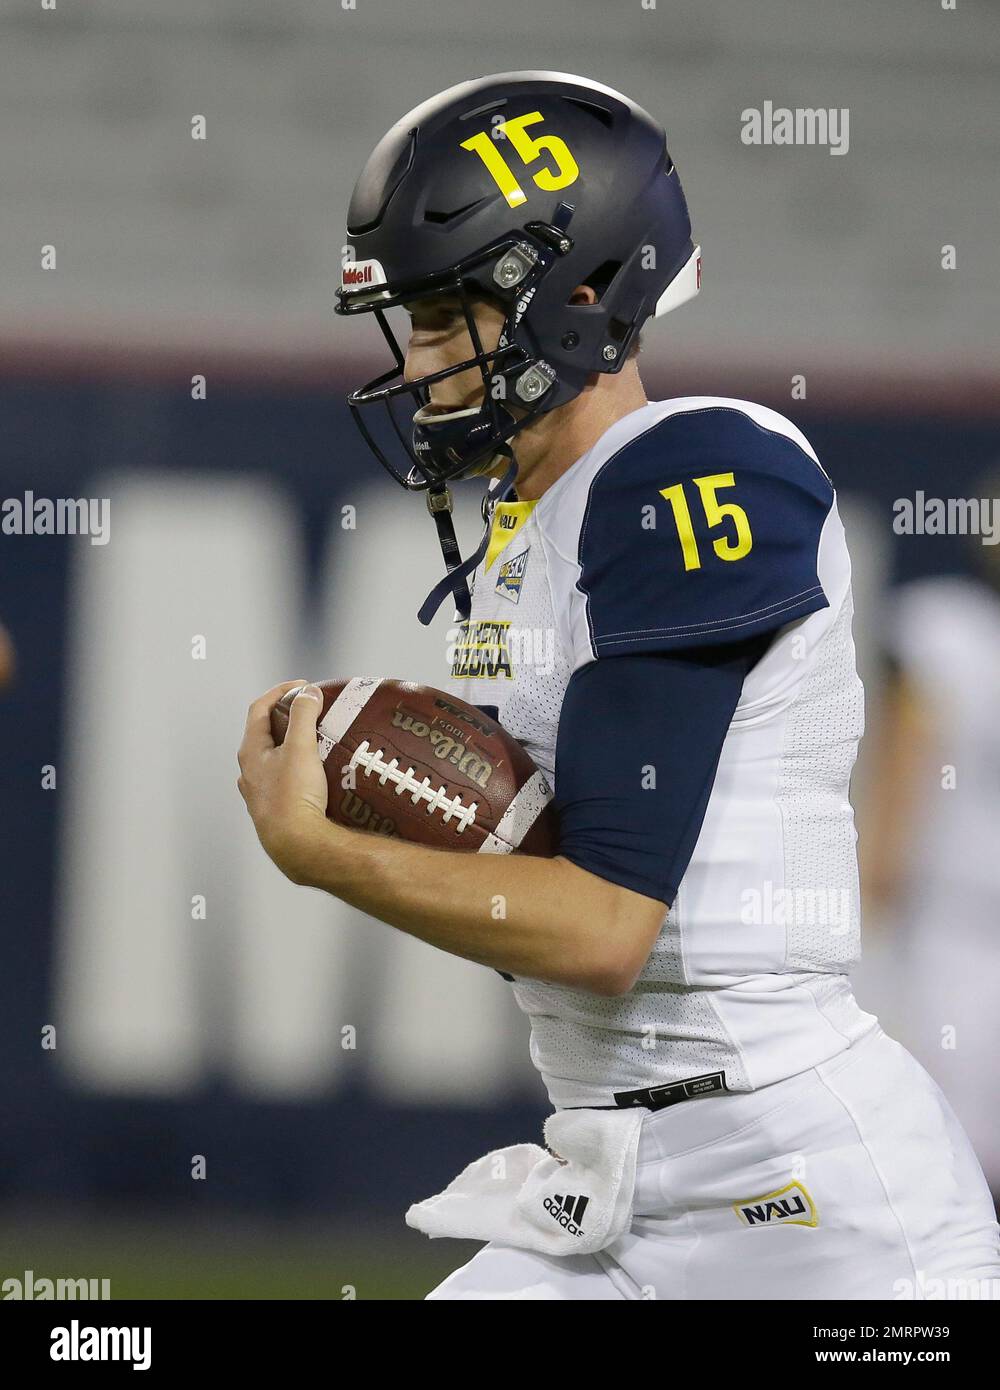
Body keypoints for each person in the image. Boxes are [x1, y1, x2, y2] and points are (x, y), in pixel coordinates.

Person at [238, 72, 1000, 1299]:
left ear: (580, 299)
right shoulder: (533, 523)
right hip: (615, 1183)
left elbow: (601, 932)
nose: (420, 363)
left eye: (447, 318)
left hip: (811, 1204)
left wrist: (325, 851)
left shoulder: (694, 475)